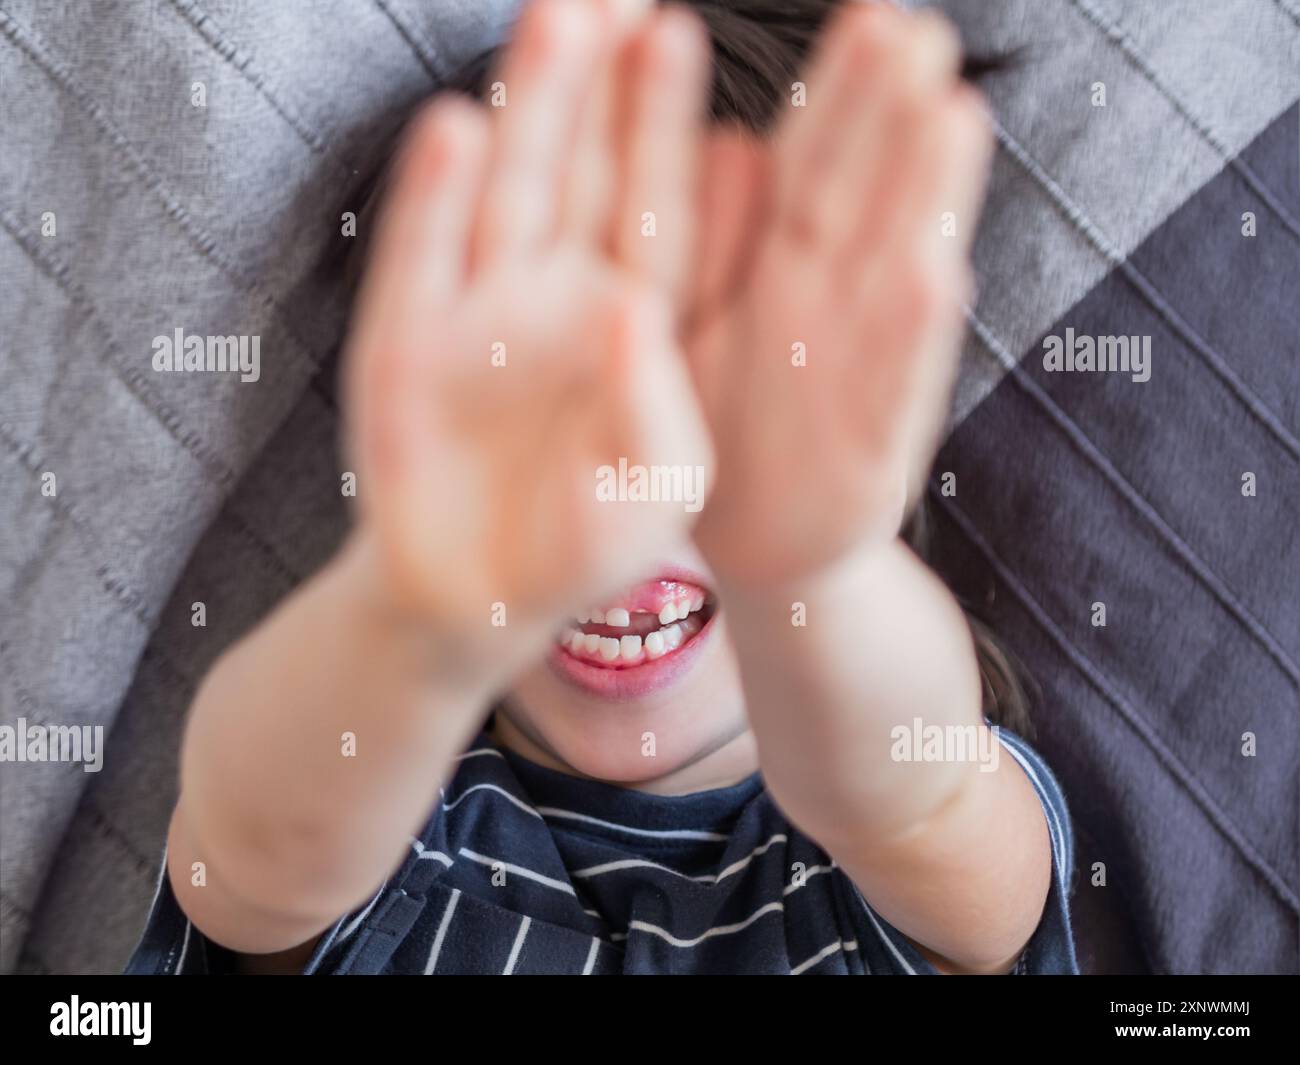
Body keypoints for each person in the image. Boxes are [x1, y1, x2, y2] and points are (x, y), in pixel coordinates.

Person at [126, 0, 1077, 976]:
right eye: (547, 411)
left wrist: (807, 579)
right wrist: (414, 614)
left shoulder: (898, 848)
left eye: (721, 412)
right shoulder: (372, 818)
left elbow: (913, 790)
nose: (631, 493)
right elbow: (248, 863)